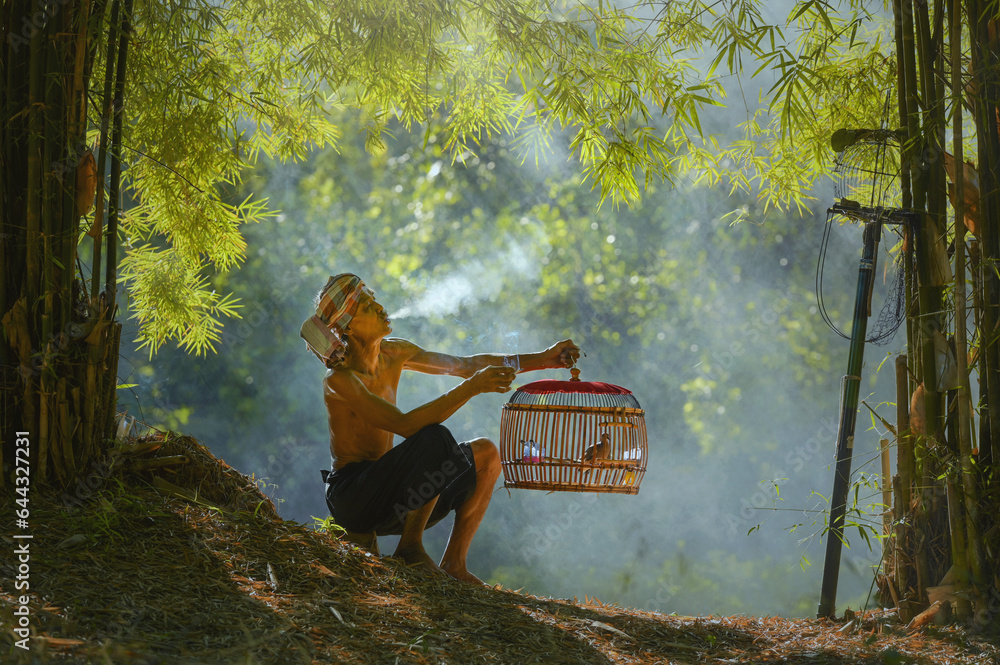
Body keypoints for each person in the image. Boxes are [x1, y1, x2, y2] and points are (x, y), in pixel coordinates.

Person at [300, 273, 580, 584]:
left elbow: (466, 366)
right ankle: (409, 549)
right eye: (367, 306)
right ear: (348, 326)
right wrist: (471, 389)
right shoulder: (339, 379)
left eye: (374, 299)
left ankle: (455, 563)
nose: (380, 307)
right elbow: (405, 425)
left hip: (397, 495)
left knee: (487, 454)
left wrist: (543, 359)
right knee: (435, 438)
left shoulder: (396, 352)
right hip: (355, 498)